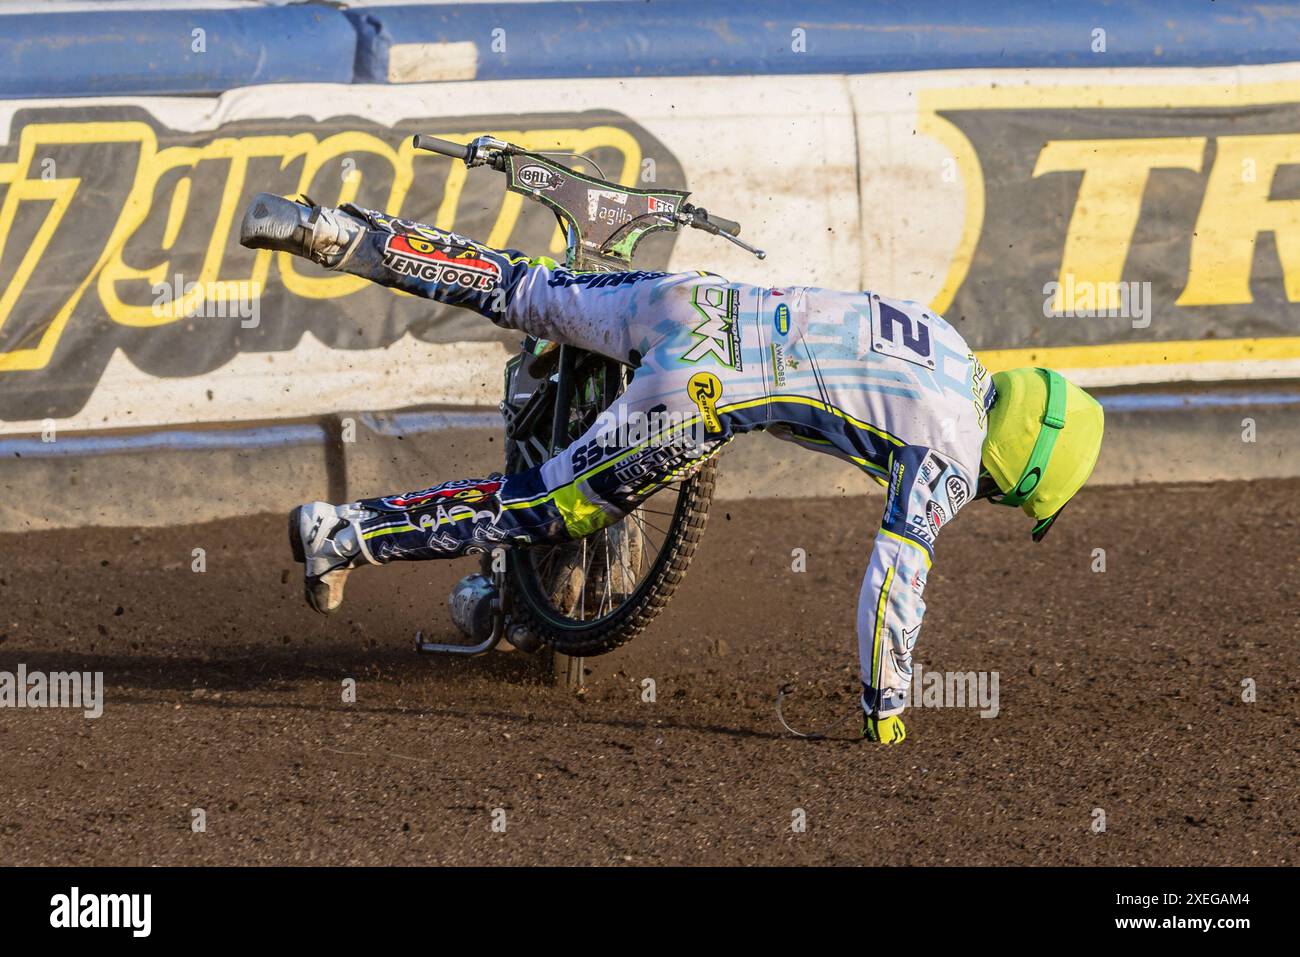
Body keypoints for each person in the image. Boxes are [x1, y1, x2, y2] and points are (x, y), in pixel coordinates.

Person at [240, 193, 1104, 745]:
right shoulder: (952, 451)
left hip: (700, 300)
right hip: (697, 391)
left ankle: (338, 231)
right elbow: (894, 578)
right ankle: (342, 533)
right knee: (548, 506)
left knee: (526, 288)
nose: (986, 497)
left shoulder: (949, 343)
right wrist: (887, 705)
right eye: (1007, 492)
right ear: (1019, 465)